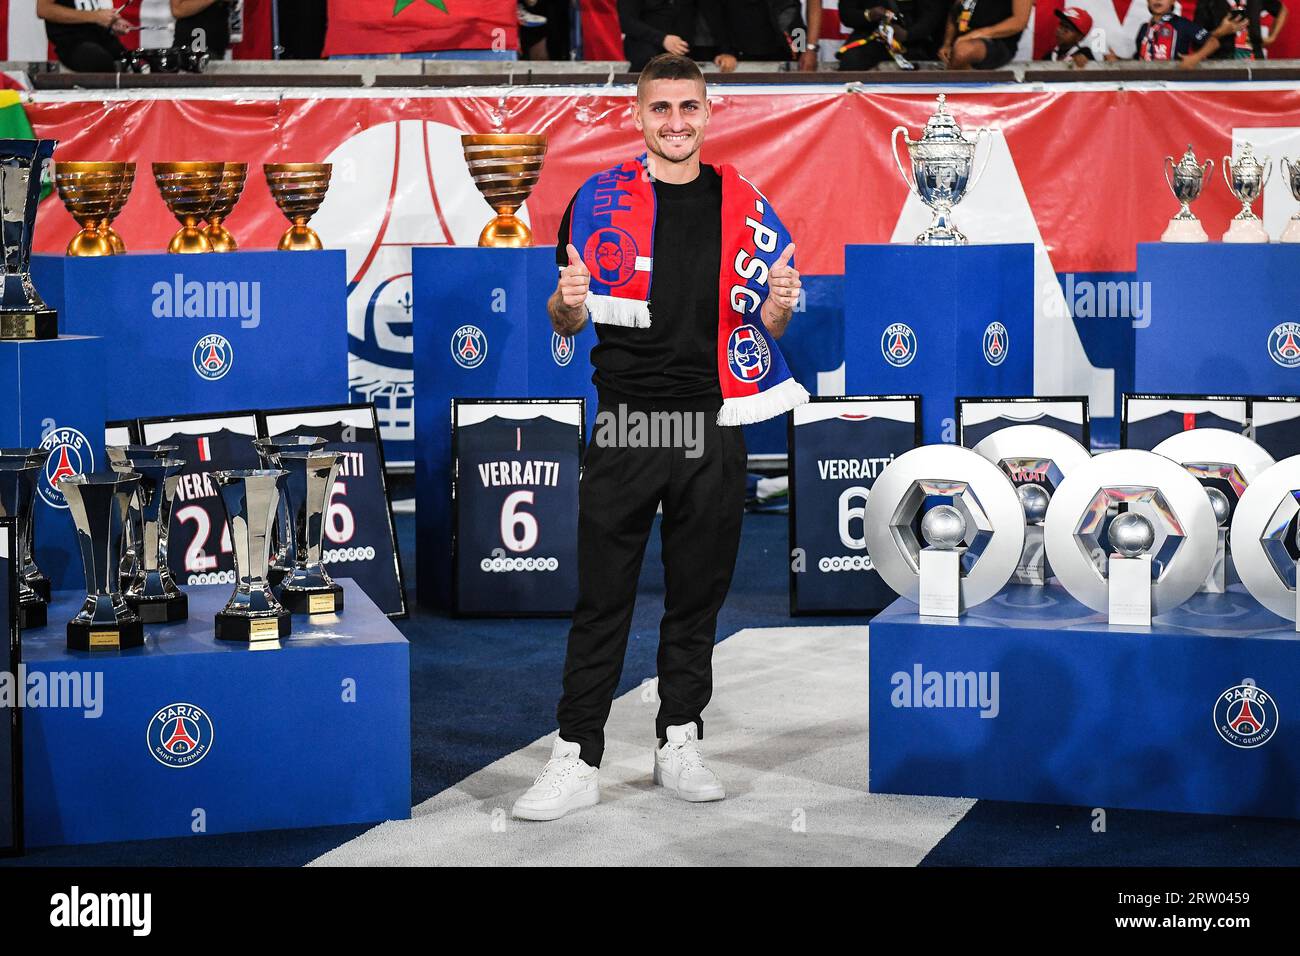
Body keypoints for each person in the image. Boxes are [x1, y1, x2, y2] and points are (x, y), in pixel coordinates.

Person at [511, 53, 807, 822]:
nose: (676, 122)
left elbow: (761, 333)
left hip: (713, 422)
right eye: (660, 108)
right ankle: (576, 754)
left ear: (710, 114)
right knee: (602, 598)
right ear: (636, 115)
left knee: (696, 599)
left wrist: (777, 308)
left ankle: (680, 735)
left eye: (689, 107)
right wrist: (566, 304)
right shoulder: (597, 199)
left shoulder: (745, 205)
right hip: (628, 421)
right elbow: (568, 322)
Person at [836, 0, 948, 69]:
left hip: (919, 40)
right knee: (851, 61)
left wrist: (908, 34)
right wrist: (868, 15)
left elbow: (934, 14)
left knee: (938, 65)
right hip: (873, 35)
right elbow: (847, 14)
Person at [37, 0, 130, 72]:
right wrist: (96, 16)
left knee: (134, 61)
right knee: (99, 61)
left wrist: (111, 22)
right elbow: (44, 9)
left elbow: (89, 9)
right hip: (73, 42)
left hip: (101, 37)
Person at [1119, 0, 1219, 66]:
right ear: (1148, 2)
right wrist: (1118, 61)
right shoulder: (1144, 28)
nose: (1157, 1)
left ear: (1172, 1)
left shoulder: (1181, 24)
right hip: (1146, 89)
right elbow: (1139, 59)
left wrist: (1196, 58)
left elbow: (1213, 42)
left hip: (1173, 89)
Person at [939, 0, 1031, 70]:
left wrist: (978, 34)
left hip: (998, 40)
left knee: (963, 51)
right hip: (963, 38)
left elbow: (1019, 22)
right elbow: (955, 12)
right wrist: (947, 43)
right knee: (959, 49)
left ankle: (957, 91)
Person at [1195, 0, 1288, 59]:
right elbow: (1196, 40)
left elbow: (1282, 10)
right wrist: (1220, 31)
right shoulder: (1207, 2)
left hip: (1256, 63)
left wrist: (1272, 37)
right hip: (1221, 64)